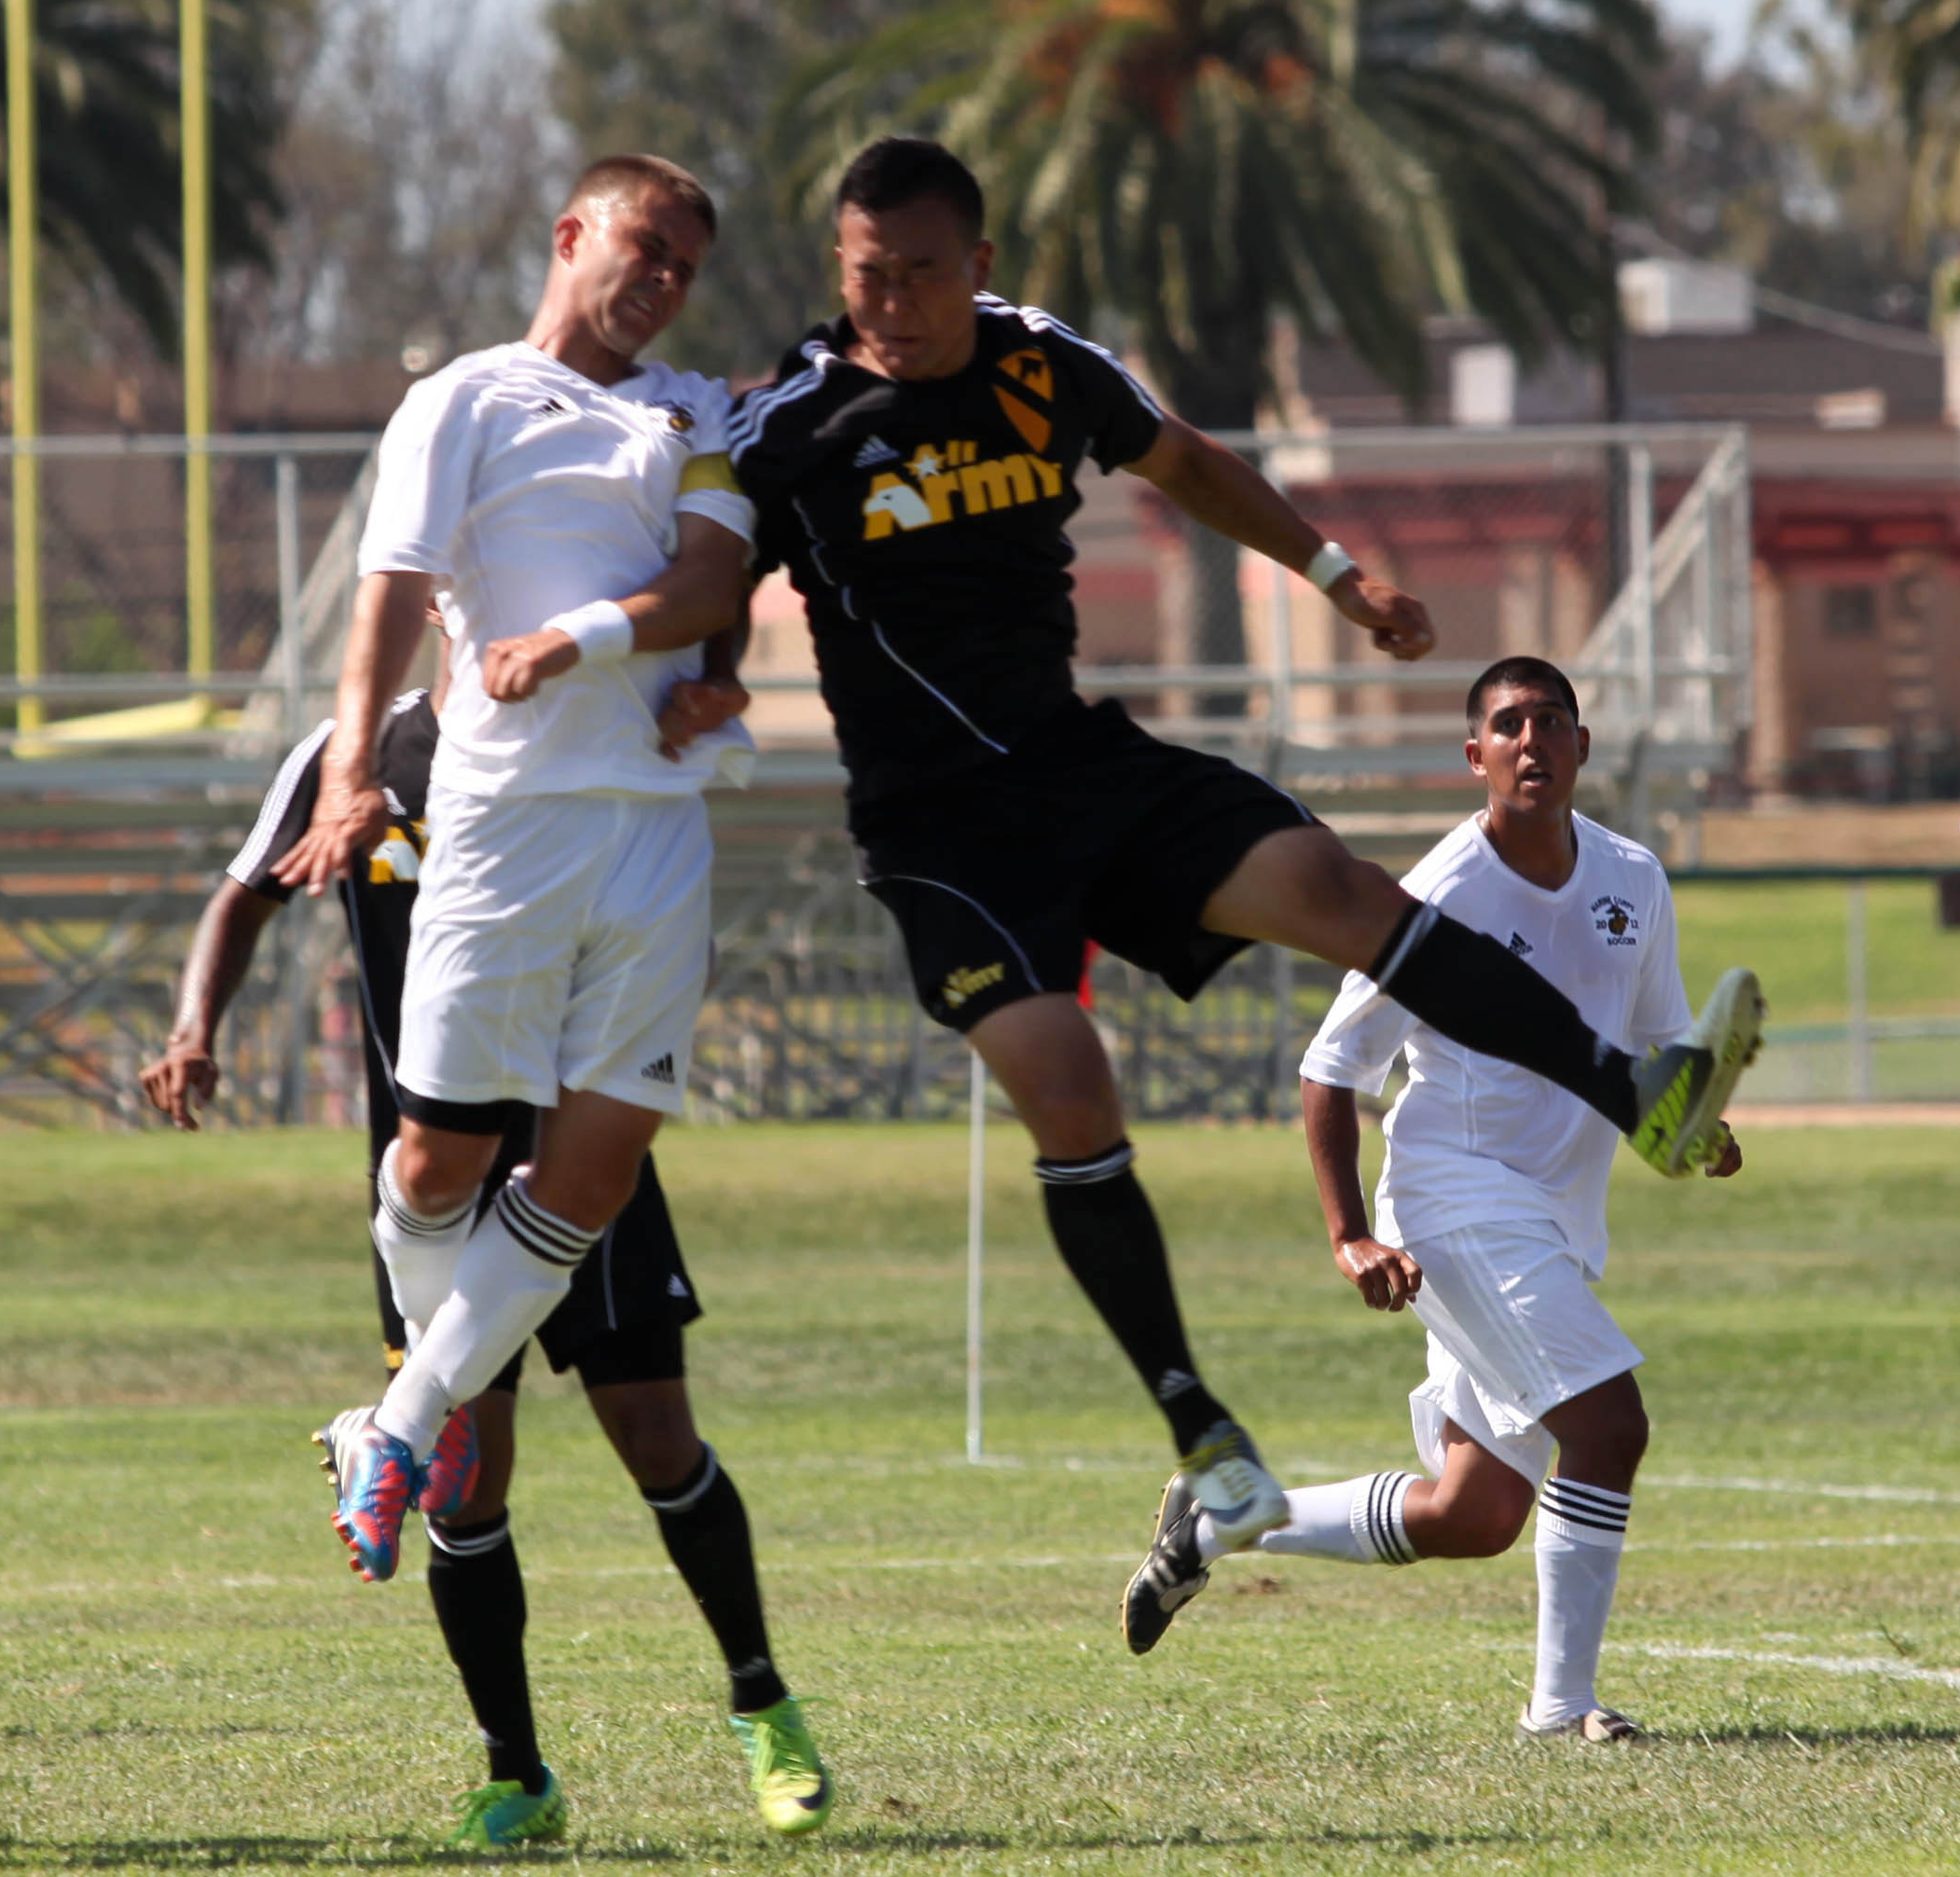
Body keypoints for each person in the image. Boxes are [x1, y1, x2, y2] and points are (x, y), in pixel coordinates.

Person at [725, 137, 1762, 1560]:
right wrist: (696, 667)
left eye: (916, 272)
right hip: (937, 829)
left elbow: (1184, 459)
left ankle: (1626, 1089)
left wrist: (1335, 575)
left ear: (974, 262)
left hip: (1087, 768)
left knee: (1343, 889)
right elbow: (704, 565)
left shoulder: (1041, 364)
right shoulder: (789, 418)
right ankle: (1196, 1423)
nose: (887, 303)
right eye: (861, 277)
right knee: (1071, 1085)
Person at [141, 663, 826, 1845]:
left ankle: (765, 1710)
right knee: (467, 1470)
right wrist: (193, 1030)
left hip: (573, 1145)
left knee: (657, 1439)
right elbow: (241, 894)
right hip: (423, 1174)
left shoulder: (570, 747)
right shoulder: (346, 755)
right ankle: (518, 1776)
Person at [272, 151, 759, 1600]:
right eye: (645, 246)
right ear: (570, 234)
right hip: (503, 820)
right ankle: (418, 1415)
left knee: (595, 1166)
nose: (662, 279)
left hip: (655, 824)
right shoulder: (463, 398)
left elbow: (711, 579)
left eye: (684, 263)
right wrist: (351, 768)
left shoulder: (701, 409)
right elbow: (384, 589)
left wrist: (596, 645)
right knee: (437, 1163)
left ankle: (401, 1422)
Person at [1123, 657, 1742, 1741]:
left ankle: (1215, 1522)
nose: (1529, 741)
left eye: (1549, 721)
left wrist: (1701, 1133)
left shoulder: (1632, 879)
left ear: (1581, 747)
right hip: (1452, 1205)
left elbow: (1653, 1051)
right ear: (1474, 757)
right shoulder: (1441, 892)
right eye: (1506, 725)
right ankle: (1560, 1712)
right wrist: (1348, 1233)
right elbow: (1329, 1069)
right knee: (1607, 1425)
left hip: (1554, 1222)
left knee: (1473, 1512)